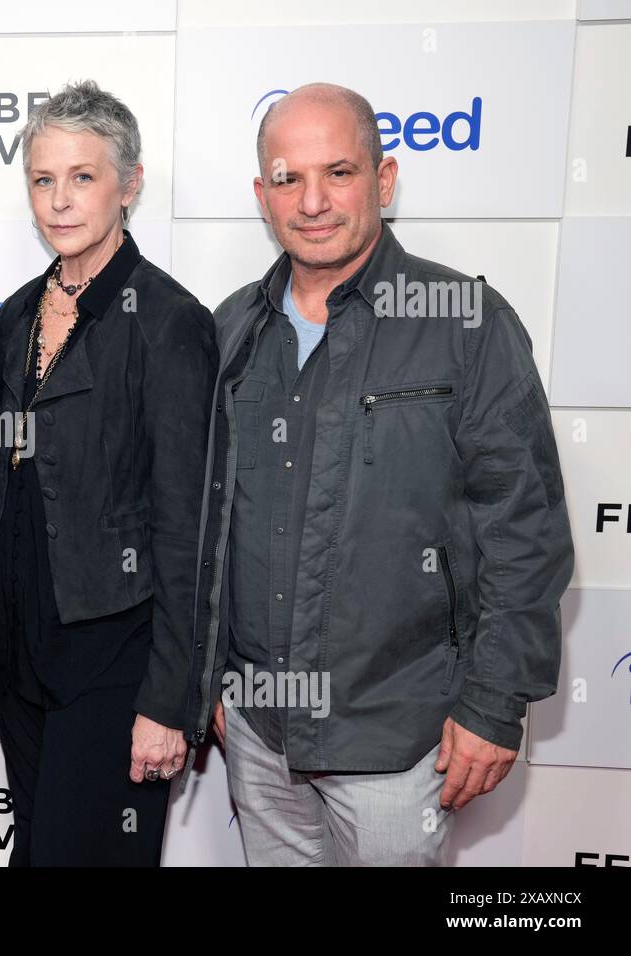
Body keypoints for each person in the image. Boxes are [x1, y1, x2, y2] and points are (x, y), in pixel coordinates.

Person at [186, 83, 573, 865]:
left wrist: (495, 703)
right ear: (262, 195)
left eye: (339, 172)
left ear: (384, 180)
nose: (313, 201)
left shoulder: (463, 320)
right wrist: (212, 683)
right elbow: (204, 524)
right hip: (259, 735)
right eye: (288, 178)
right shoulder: (231, 329)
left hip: (401, 736)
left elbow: (522, 527)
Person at [0, 81, 216, 866]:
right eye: (43, 179)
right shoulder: (11, 315)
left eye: (82, 177)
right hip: (21, 646)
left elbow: (188, 524)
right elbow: (0, 490)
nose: (59, 200)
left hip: (118, 653)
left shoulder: (171, 321)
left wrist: (169, 699)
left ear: (130, 184)